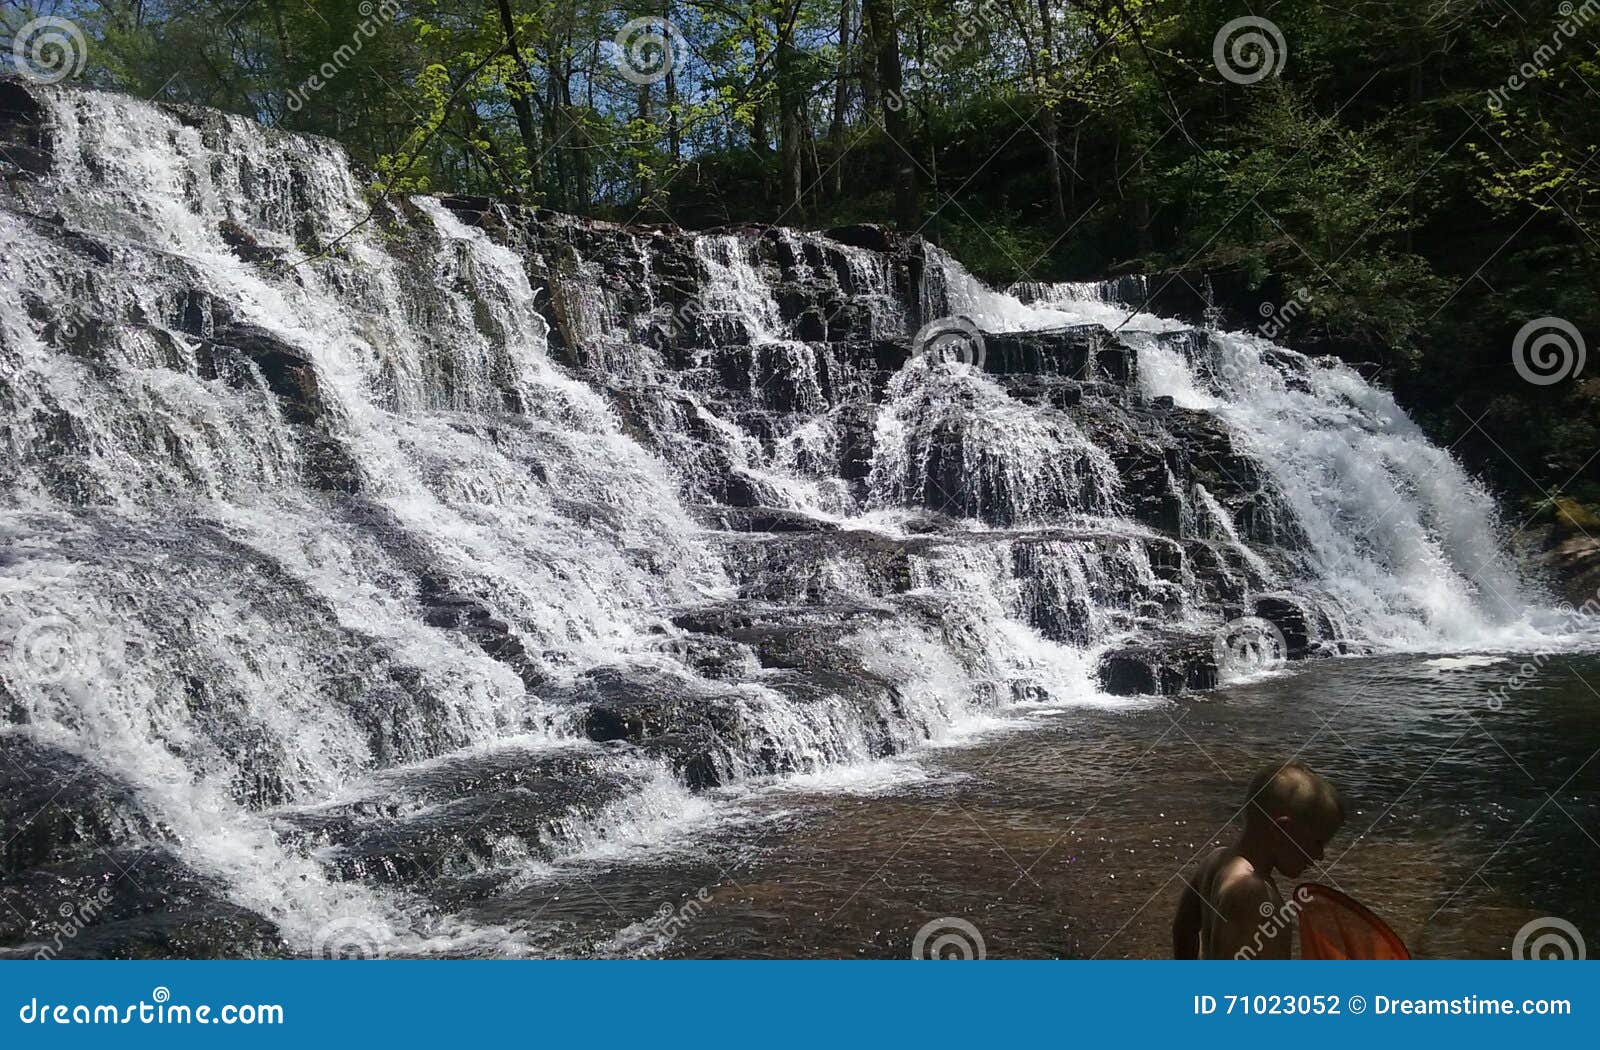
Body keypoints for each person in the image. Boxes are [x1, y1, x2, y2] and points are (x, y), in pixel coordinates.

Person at [1171, 759, 1344, 959]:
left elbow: (1183, 928)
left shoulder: (1215, 861)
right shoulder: (1252, 891)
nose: (1320, 855)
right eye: (1318, 842)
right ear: (1282, 831)